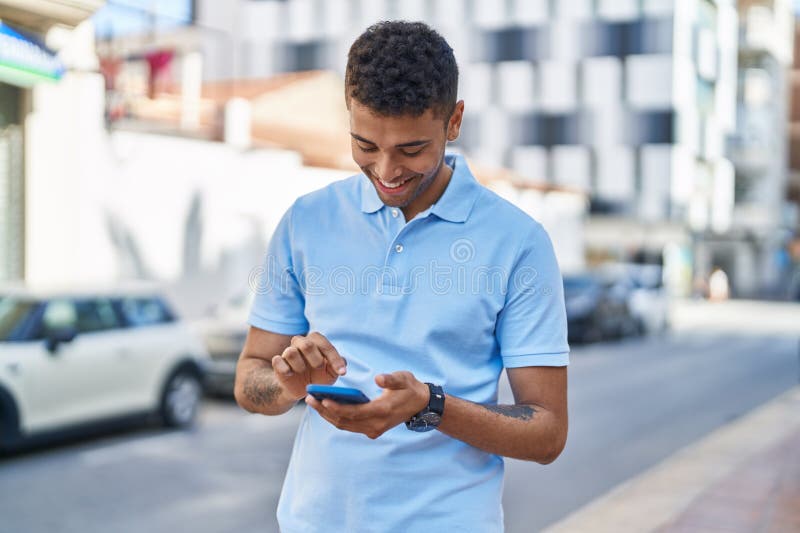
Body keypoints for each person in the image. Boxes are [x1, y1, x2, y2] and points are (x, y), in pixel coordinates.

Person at [234, 21, 569, 533]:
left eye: (411, 149)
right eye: (365, 145)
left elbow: (546, 434)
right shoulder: (306, 221)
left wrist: (431, 407)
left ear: (453, 121)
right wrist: (286, 384)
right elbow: (248, 380)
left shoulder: (519, 242)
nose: (386, 170)